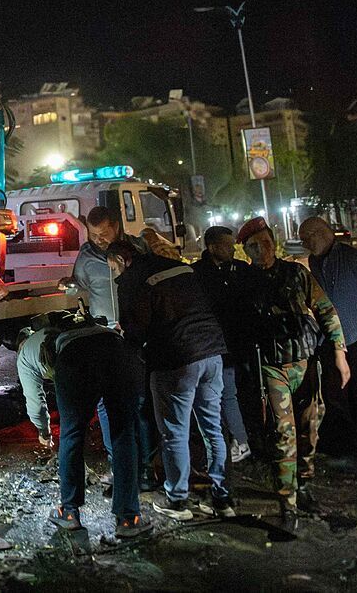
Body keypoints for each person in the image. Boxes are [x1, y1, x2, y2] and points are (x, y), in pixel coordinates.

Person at [237, 216, 349, 530]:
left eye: (267, 241)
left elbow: (325, 309)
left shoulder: (296, 273)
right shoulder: (246, 283)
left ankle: (304, 481)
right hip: (273, 368)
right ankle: (288, 501)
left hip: (307, 363)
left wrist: (340, 353)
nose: (264, 249)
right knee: (283, 435)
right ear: (247, 251)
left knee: (310, 428)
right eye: (255, 246)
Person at [108, 241, 233, 520]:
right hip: (212, 351)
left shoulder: (133, 278)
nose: (113, 273)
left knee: (174, 431)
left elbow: (135, 330)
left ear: (121, 259)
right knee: (213, 428)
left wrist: (126, 337)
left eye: (112, 267)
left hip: (176, 359)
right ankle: (222, 498)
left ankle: (178, 501)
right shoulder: (178, 267)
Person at [26, 309, 153, 539]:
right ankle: (129, 518)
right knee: (124, 433)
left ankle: (69, 513)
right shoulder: (94, 328)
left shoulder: (30, 351)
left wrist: (43, 429)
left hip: (75, 359)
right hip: (118, 354)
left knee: (71, 434)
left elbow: (35, 398)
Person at [75, 205, 166, 491]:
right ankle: (120, 467)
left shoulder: (138, 248)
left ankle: (149, 469)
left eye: (104, 234)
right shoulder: (85, 257)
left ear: (116, 226)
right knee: (106, 403)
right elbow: (78, 286)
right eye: (93, 235)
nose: (99, 240)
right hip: (105, 337)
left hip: (137, 335)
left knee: (141, 403)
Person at [300, 215, 357, 480]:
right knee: (339, 400)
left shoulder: (354, 258)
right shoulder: (314, 262)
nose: (307, 244)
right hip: (333, 341)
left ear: (324, 232)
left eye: (309, 237)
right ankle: (351, 450)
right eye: (303, 239)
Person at [193, 225, 256, 463]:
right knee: (226, 393)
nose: (232, 250)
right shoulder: (198, 274)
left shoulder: (239, 270)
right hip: (217, 345)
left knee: (240, 392)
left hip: (241, 343)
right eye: (227, 246)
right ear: (212, 247)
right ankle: (239, 441)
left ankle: (242, 439)